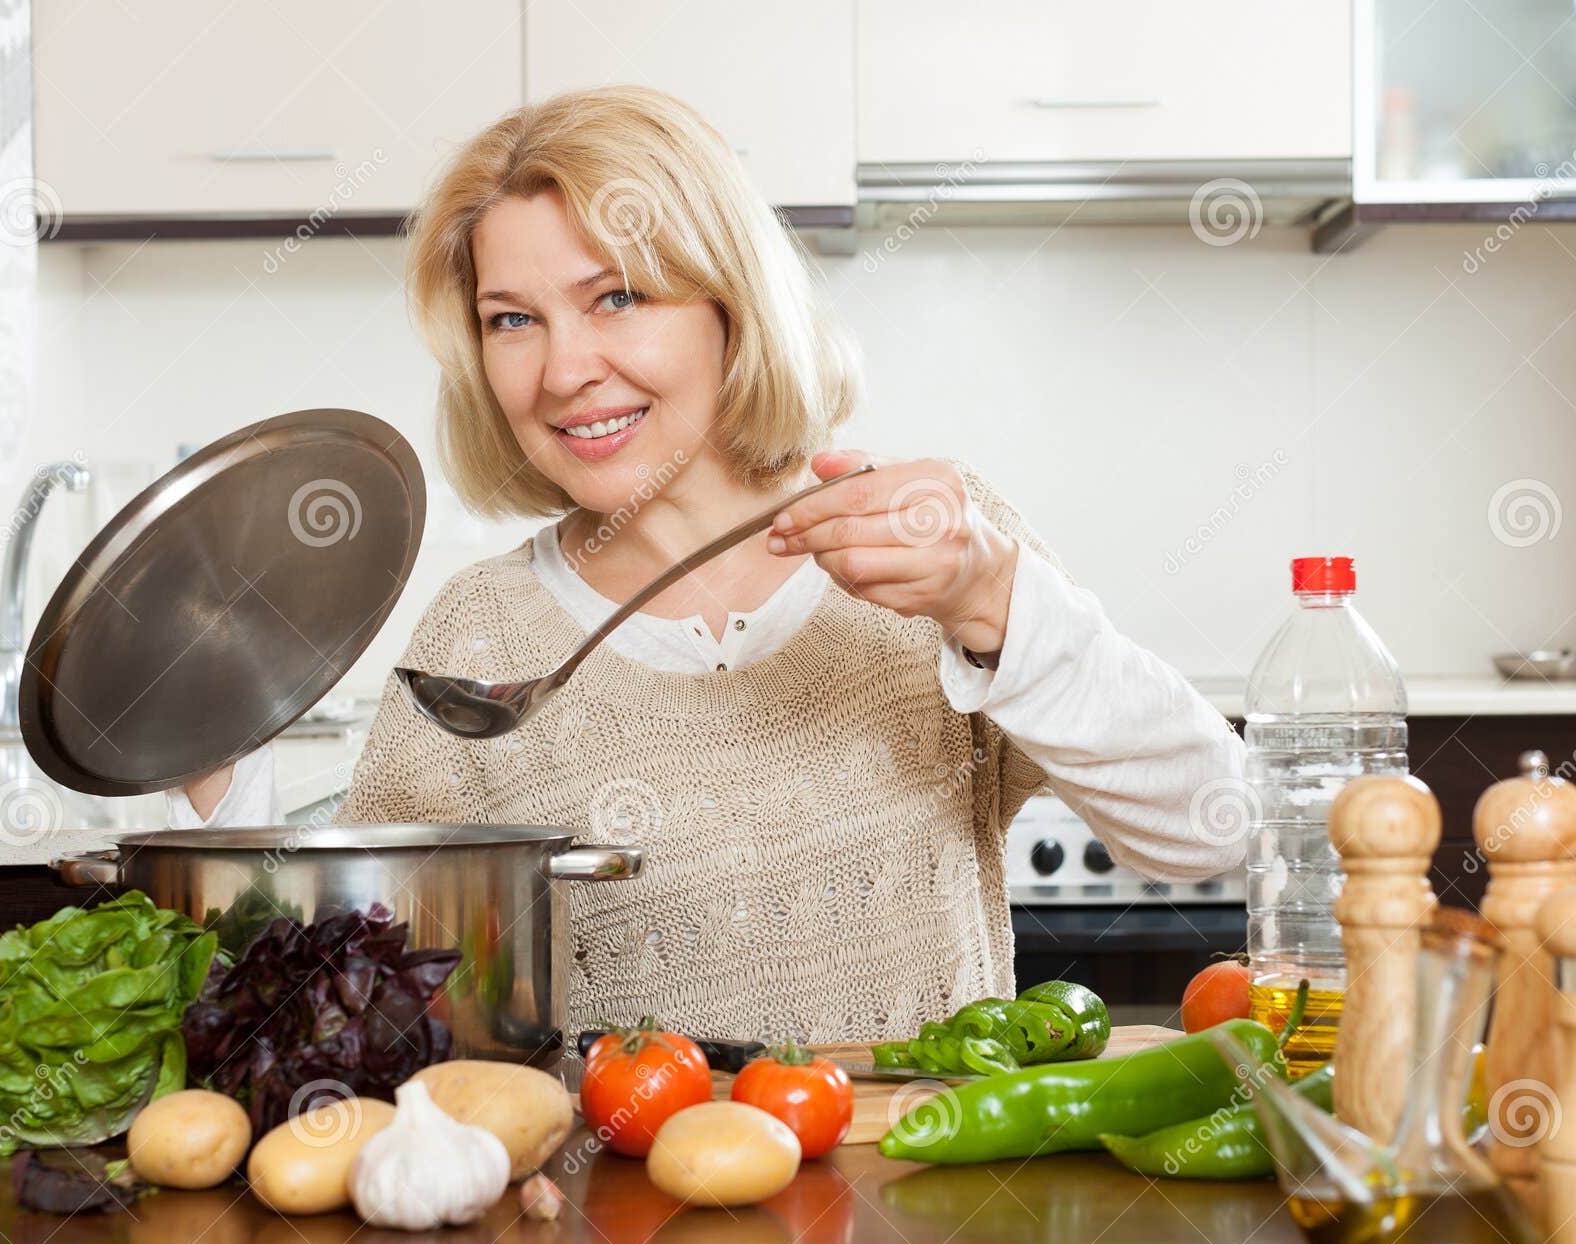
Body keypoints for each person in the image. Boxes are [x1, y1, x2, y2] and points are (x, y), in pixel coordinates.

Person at [172, 85, 1245, 1043]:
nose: (563, 370)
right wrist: (217, 751)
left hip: (926, 1220)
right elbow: (358, 994)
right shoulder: (481, 635)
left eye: (617, 298)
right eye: (513, 320)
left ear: (731, 304)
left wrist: (991, 598)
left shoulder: (937, 545)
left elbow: (1211, 823)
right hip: (623, 1236)